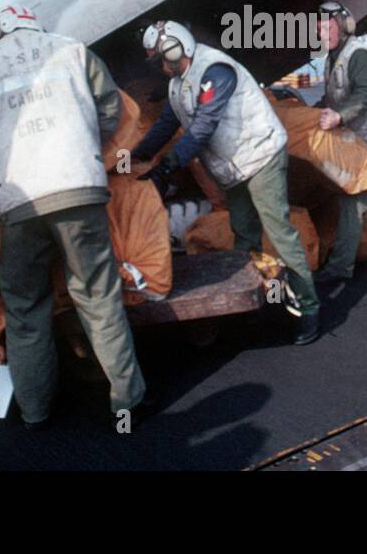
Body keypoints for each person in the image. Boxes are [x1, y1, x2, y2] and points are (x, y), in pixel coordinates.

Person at [0, 4, 148, 430]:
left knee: (26, 308)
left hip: (19, 202)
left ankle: (35, 412)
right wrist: (83, 141)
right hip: (80, 189)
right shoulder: (73, 50)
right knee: (99, 299)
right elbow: (110, 109)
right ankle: (126, 402)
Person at [131, 20, 320, 345]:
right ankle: (258, 307)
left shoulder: (216, 71)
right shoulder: (178, 83)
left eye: (161, 59)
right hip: (232, 168)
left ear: (177, 50)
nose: (160, 67)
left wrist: (170, 165)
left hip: (260, 157)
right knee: (244, 236)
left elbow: (203, 127)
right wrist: (137, 157)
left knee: (279, 232)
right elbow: (166, 122)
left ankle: (308, 310)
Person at [312, 1, 367, 284]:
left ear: (344, 26)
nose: (321, 30)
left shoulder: (359, 56)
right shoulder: (332, 58)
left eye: (327, 24)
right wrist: (312, 111)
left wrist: (338, 116)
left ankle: (340, 269)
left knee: (353, 204)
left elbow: (363, 96)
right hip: (359, 140)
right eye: (319, 25)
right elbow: (334, 96)